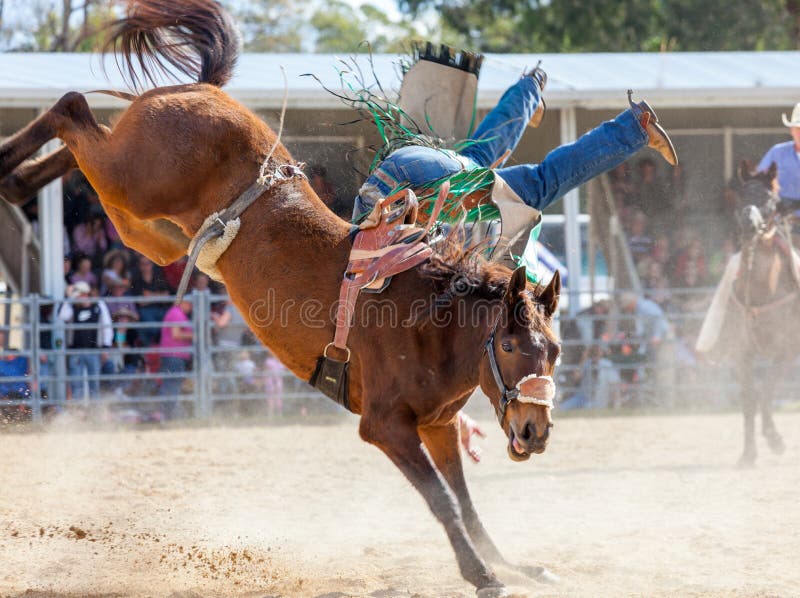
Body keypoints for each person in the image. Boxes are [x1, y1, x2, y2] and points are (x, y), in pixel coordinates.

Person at [353, 66, 678, 226]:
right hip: (406, 165)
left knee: (540, 186)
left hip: (414, 188)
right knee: (476, 157)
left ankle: (634, 127)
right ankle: (529, 86)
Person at [58, 281, 113, 402]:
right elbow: (62, 316)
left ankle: (95, 410)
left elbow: (107, 326)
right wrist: (68, 299)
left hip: (94, 351)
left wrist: (106, 347)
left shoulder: (98, 305)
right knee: (76, 384)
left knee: (94, 384)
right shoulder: (72, 307)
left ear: (85, 294)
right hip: (76, 351)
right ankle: (78, 410)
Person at [757, 102, 800, 210]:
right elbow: (760, 181)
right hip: (781, 215)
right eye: (798, 129)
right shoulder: (777, 153)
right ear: (792, 130)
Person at [158, 298, 194, 419]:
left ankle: (166, 413)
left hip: (174, 355)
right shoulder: (176, 313)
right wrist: (196, 335)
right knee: (172, 384)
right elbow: (176, 334)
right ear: (183, 303)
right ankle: (166, 414)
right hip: (174, 355)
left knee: (171, 384)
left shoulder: (177, 313)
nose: (190, 307)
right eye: (189, 304)